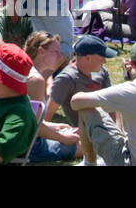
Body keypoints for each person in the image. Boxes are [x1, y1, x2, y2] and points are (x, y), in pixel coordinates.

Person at [45, 35, 114, 165]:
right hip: (86, 132)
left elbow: (112, 105)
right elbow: (48, 112)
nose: (105, 61)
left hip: (106, 127)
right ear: (87, 58)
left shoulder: (101, 72)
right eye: (101, 57)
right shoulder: (66, 79)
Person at [22, 31, 80, 163]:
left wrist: (56, 126)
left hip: (24, 140)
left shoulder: (29, 72)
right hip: (29, 147)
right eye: (56, 52)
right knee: (86, 145)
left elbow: (29, 119)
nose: (61, 56)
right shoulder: (35, 80)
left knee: (77, 135)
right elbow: (33, 127)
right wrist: (64, 139)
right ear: (41, 51)